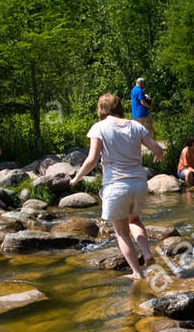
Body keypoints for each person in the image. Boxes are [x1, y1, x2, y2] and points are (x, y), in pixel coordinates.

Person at [69, 92, 165, 280]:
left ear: (101, 109)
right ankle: (146, 252)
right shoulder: (135, 125)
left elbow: (92, 159)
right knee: (135, 221)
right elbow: (157, 148)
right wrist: (159, 155)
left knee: (121, 233)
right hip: (138, 182)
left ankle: (137, 273)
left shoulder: (99, 127)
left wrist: (77, 178)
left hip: (115, 185)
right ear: (120, 108)